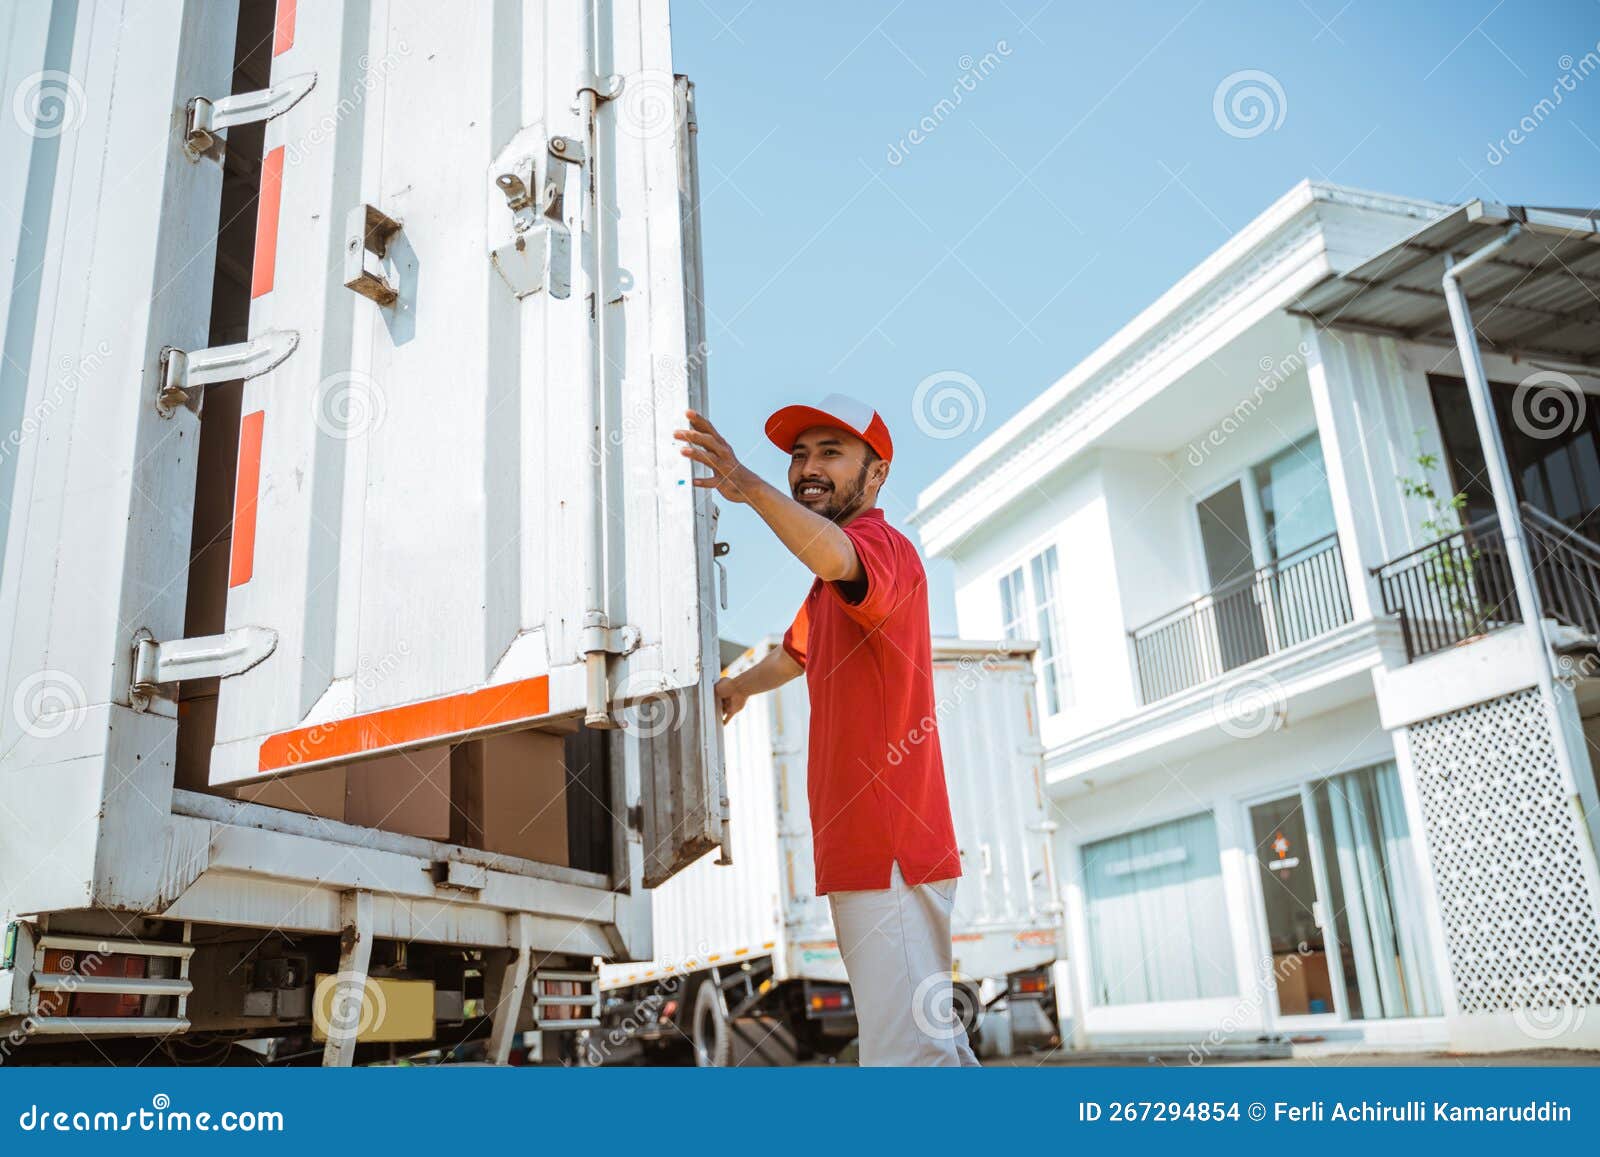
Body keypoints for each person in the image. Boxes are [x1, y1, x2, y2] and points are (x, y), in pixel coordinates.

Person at [673, 393, 980, 1067]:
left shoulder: (880, 551)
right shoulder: (828, 590)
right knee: (935, 1048)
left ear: (876, 477)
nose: (808, 467)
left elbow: (840, 556)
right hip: (873, 849)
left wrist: (747, 488)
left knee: (909, 1059)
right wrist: (732, 688)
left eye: (831, 453)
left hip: (887, 849)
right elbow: (795, 651)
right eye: (799, 455)